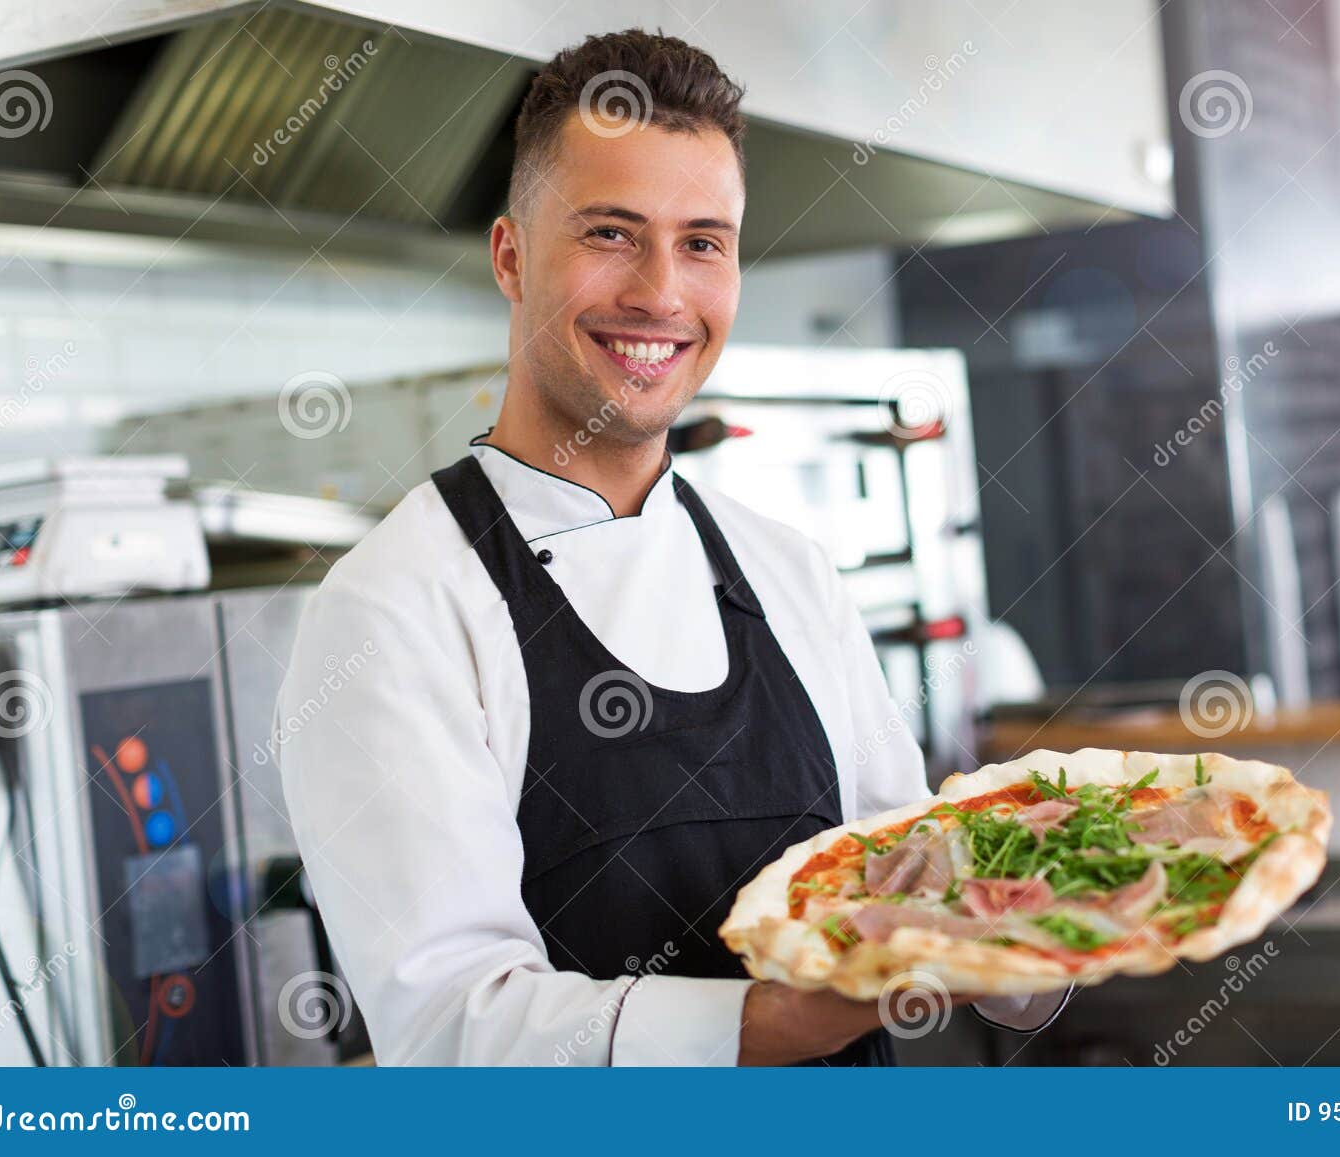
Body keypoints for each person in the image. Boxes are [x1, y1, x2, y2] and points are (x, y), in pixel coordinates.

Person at [276, 27, 1071, 1066]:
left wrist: (1044, 925)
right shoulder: (393, 606)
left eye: (703, 241)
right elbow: (449, 1031)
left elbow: (915, 891)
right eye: (611, 233)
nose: (660, 293)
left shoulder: (788, 572)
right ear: (511, 255)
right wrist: (765, 1022)